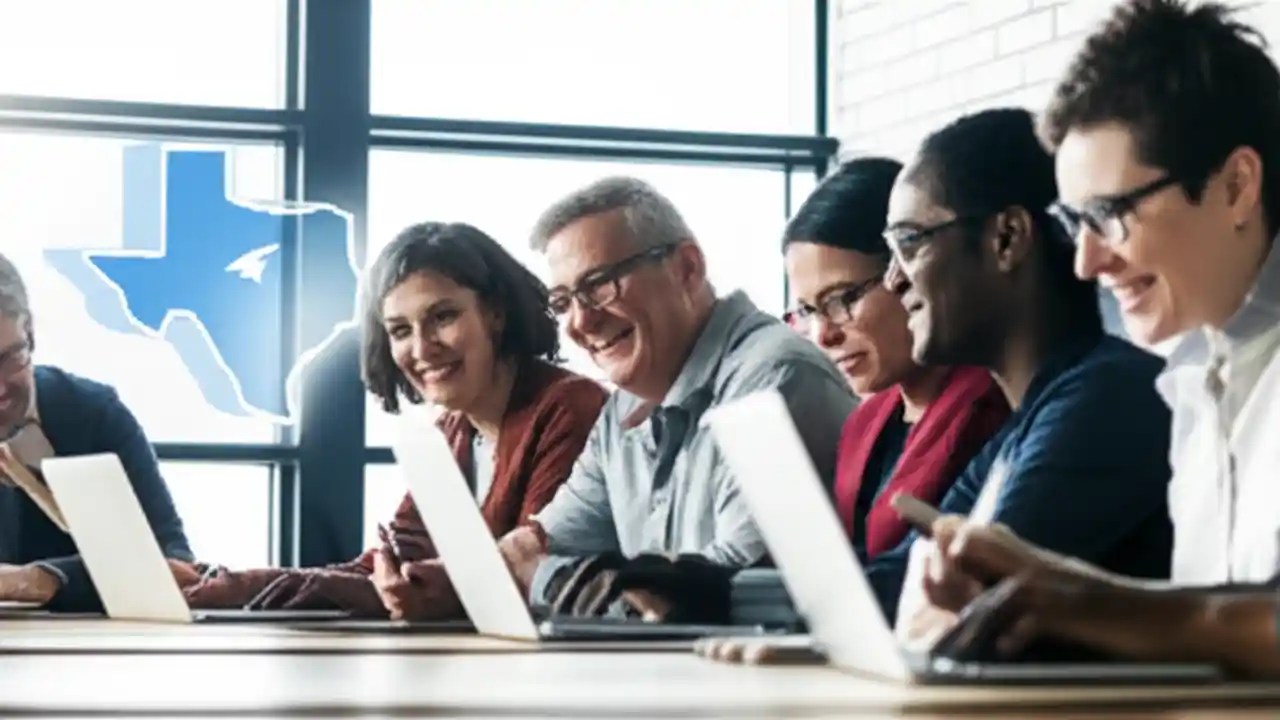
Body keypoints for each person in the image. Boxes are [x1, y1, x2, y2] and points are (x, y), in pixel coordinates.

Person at [879, 0, 1280, 678]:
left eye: (1110, 214)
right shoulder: (1194, 374)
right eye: (1075, 219)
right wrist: (1050, 595)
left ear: (1236, 186)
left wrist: (1094, 605)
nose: (1085, 261)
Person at [373, 176, 857, 622]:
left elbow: (714, 595)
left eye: (599, 285)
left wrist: (536, 577)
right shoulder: (623, 408)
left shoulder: (775, 381)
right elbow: (536, 543)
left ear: (687, 269)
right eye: (563, 301)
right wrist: (448, 582)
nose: (581, 323)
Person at [865, 107, 1176, 651]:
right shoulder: (1026, 422)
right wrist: (725, 592)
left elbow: (975, 587)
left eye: (909, 242)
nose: (892, 282)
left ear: (1007, 238)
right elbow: (901, 578)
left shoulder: (1107, 397)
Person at [184, 222, 606, 616]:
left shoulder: (568, 408)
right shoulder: (454, 432)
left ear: (495, 312)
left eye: (442, 317)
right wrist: (219, 579)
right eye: (401, 331)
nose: (422, 348)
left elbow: (517, 577)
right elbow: (390, 569)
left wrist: (241, 588)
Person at [782, 157, 1009, 560]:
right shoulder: (864, 424)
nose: (824, 335)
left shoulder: (990, 408)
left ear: (907, 272)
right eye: (808, 311)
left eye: (841, 299)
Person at [0, 253, 193, 612]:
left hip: (95, 652)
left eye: (9, 358)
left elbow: (174, 566)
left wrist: (38, 579)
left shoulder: (93, 414)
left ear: (31, 335)